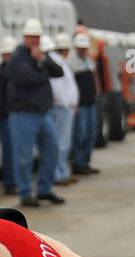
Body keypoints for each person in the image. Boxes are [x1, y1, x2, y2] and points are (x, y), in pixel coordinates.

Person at [5, 18, 65, 207]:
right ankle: (25, 192)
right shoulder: (17, 58)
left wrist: (43, 61)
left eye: (37, 37)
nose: (35, 41)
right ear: (25, 37)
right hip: (23, 114)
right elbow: (28, 79)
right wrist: (43, 72)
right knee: (23, 155)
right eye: (31, 37)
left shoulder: (40, 56)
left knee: (52, 149)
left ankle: (44, 189)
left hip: (42, 113)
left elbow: (58, 72)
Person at [45, 32, 79, 187]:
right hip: (61, 108)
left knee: (63, 142)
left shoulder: (60, 62)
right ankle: (58, 173)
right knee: (61, 143)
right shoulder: (57, 63)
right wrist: (66, 103)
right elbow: (57, 88)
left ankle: (62, 171)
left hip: (64, 108)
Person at [0, 35, 17, 194]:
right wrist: (7, 114)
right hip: (5, 119)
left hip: (12, 117)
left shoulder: (12, 73)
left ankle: (13, 182)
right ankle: (9, 183)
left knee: (15, 151)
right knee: (9, 151)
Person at [68, 32, 100, 175]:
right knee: (79, 134)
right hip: (80, 104)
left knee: (90, 133)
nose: (82, 50)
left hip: (90, 102)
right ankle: (77, 163)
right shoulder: (71, 63)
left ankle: (86, 162)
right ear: (76, 47)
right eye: (80, 48)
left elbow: (94, 78)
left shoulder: (89, 61)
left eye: (84, 48)